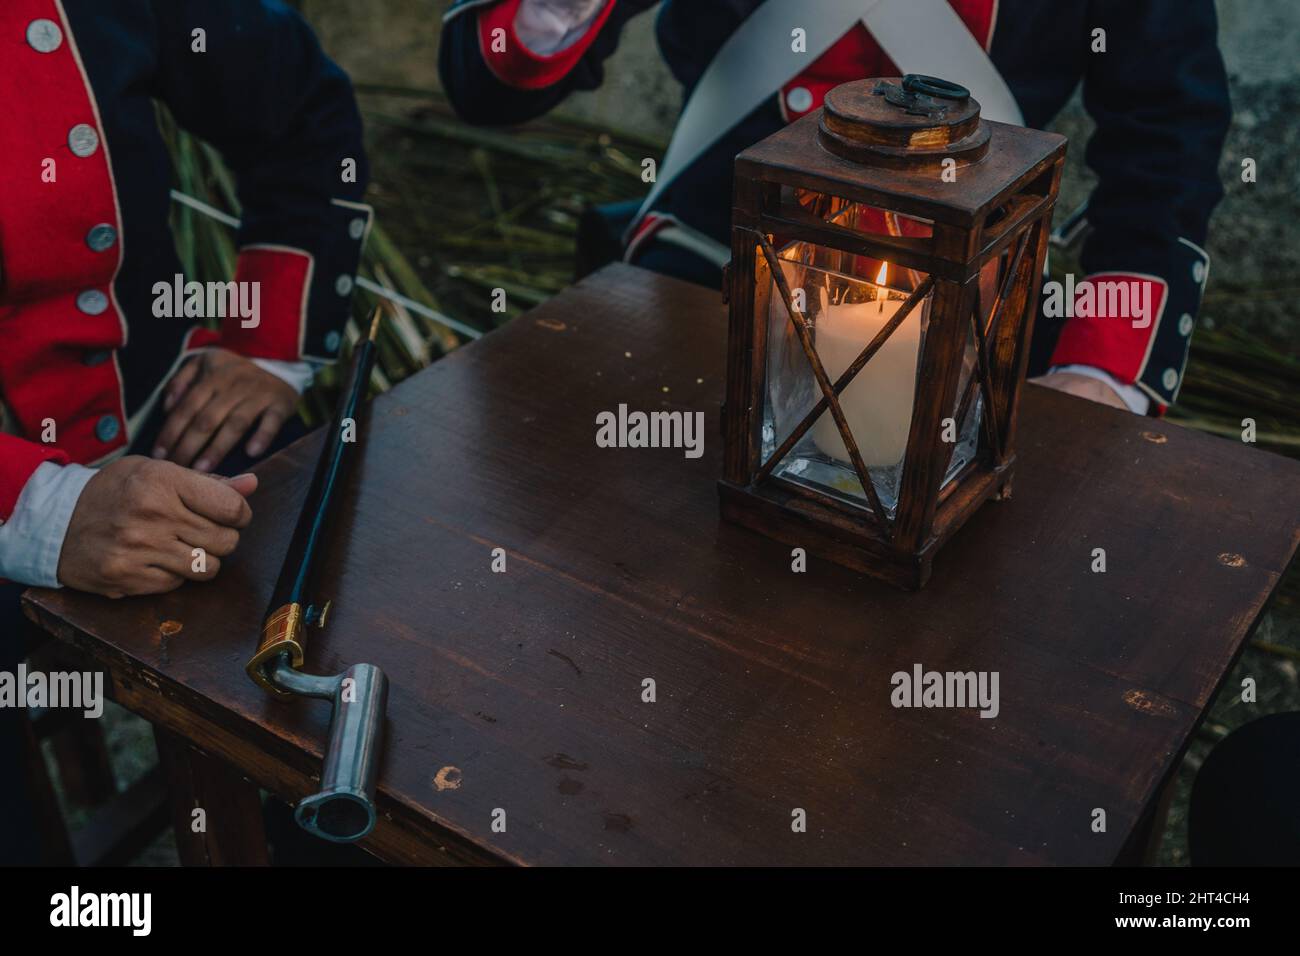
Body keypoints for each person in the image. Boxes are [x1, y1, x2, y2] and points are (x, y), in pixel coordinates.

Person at [439, 0, 1230, 416]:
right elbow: (485, 86)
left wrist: (1102, 371)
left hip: (972, 301)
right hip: (707, 273)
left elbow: (1166, 139)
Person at [0, 0, 370, 863]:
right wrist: (45, 511)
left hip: (161, 417)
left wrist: (271, 341)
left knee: (338, 676)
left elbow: (304, 113)